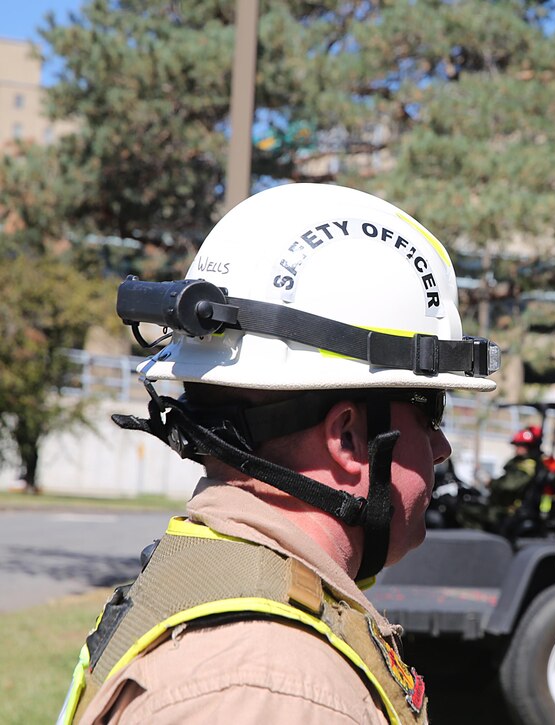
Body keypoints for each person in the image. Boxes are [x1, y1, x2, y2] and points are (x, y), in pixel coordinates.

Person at [59, 183, 500, 724]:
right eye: (429, 411)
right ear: (348, 439)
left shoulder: (213, 584)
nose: (440, 447)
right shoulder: (273, 688)